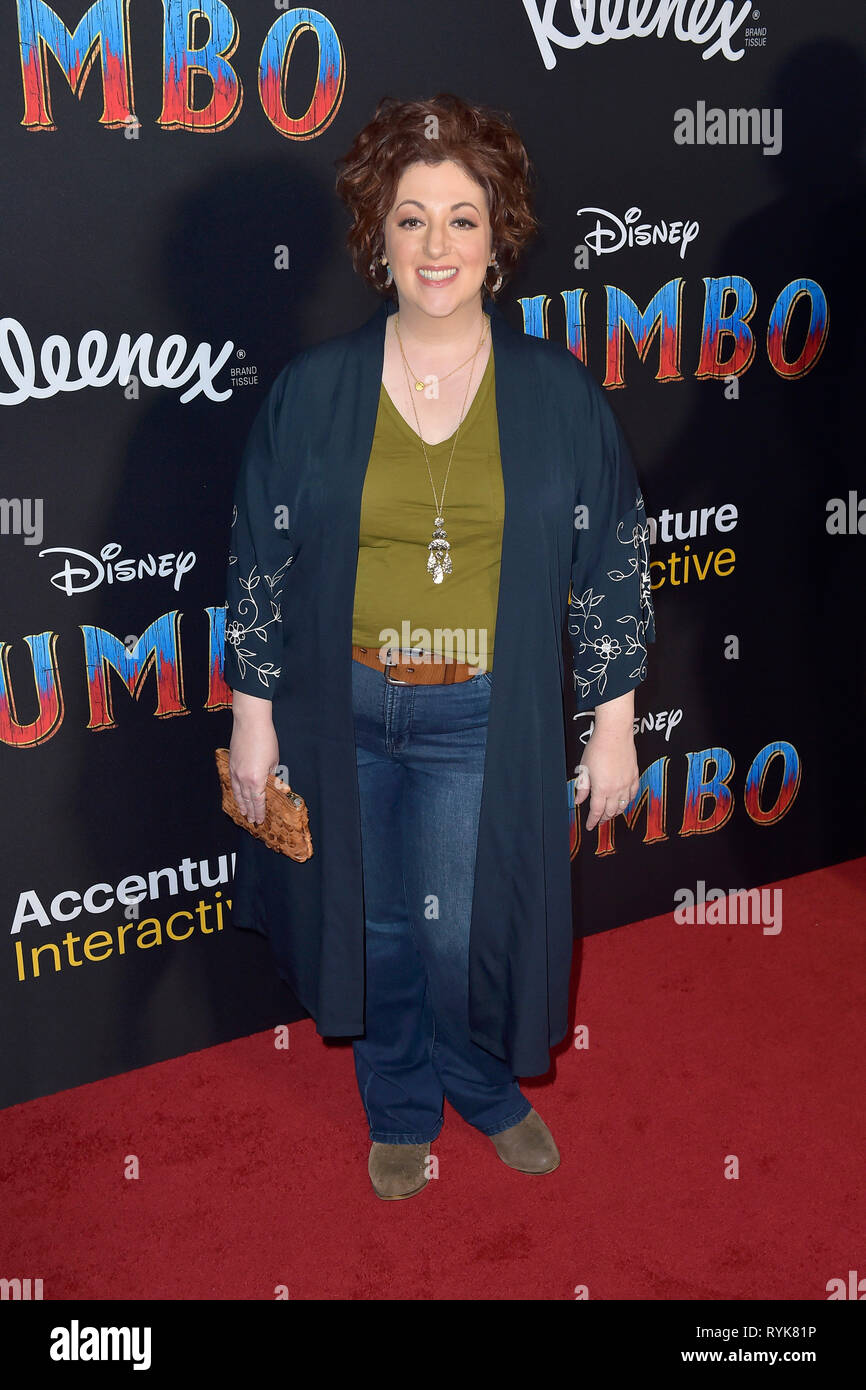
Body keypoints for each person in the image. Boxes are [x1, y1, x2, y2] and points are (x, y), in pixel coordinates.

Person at [224, 93, 655, 1200]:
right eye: (409, 218)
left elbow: (609, 556)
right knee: (371, 933)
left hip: (477, 714)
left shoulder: (554, 393)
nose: (435, 245)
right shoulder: (313, 392)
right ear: (376, 236)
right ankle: (401, 1102)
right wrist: (253, 719)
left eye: (461, 218)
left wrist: (612, 726)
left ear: (497, 237)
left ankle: (478, 1079)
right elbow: (259, 563)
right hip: (343, 709)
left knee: (463, 934)